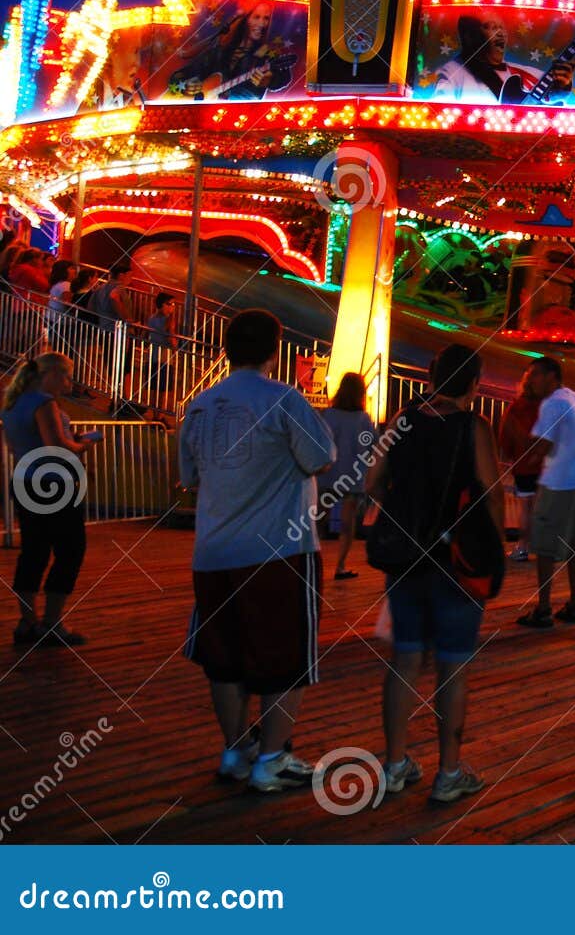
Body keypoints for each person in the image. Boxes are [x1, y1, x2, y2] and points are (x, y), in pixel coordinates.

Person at [179, 309, 335, 791]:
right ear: (275, 347)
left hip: (212, 551)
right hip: (278, 550)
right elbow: (320, 457)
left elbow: (189, 479)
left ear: (227, 347)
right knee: (283, 655)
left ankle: (235, 750)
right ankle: (272, 758)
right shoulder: (283, 399)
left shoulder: (200, 406)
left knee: (222, 656)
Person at [365, 344, 499, 803]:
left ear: (429, 375)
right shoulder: (474, 428)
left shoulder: (400, 421)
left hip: (405, 556)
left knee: (405, 661)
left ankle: (396, 763)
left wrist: (400, 510)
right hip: (455, 561)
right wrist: (493, 549)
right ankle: (449, 772)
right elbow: (490, 495)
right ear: (476, 384)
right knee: (453, 667)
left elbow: (371, 481)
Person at [3, 353, 99, 647]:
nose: (70, 381)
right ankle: (52, 622)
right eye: (67, 375)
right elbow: (56, 447)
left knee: (33, 551)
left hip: (25, 480)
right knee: (70, 550)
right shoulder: (44, 403)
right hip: (54, 483)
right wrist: (85, 442)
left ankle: (27, 621)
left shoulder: (12, 404)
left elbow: (17, 443)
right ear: (52, 374)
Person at [516, 356, 575, 628]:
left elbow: (541, 446)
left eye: (535, 375)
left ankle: (544, 607)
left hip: (558, 483)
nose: (531, 381)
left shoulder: (552, 403)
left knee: (545, 545)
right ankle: (574, 603)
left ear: (551, 376)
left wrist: (522, 456)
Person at [428, 14, 574, 103]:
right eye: (490, 27)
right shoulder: (451, 72)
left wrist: (562, 85)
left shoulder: (523, 71)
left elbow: (552, 99)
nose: (500, 34)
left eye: (501, 28)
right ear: (469, 36)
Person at [318, 372, 377, 580]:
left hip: (327, 474)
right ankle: (340, 566)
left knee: (318, 520)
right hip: (353, 478)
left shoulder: (327, 415)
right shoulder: (363, 419)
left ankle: (314, 562)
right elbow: (372, 446)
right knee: (347, 523)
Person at [497, 363, 546, 564]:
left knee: (525, 507)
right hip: (545, 464)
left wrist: (511, 455)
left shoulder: (515, 408)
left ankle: (523, 547)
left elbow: (504, 435)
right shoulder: (546, 406)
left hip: (524, 465)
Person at [144, 291, 179, 419]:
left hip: (152, 356)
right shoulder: (168, 321)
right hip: (164, 357)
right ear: (162, 305)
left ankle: (155, 414)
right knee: (162, 389)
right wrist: (176, 349)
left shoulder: (152, 318)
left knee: (155, 388)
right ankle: (159, 416)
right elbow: (171, 339)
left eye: (174, 304)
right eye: (170, 304)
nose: (172, 307)